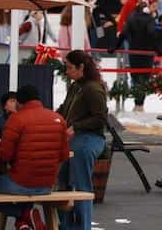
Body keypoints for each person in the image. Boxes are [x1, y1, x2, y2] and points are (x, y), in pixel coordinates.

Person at [0, 84, 69, 230]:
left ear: (19, 103)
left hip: (20, 184)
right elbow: (63, 156)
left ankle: (23, 215)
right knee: (24, 184)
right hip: (47, 186)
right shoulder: (59, 119)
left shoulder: (16, 120)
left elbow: (5, 155)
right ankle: (23, 222)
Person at [57, 50, 108, 230]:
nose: (67, 72)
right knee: (61, 180)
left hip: (88, 139)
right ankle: (66, 224)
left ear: (81, 67)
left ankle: (83, 226)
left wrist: (76, 126)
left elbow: (101, 118)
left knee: (82, 185)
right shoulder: (75, 86)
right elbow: (64, 109)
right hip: (73, 138)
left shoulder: (93, 89)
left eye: (70, 68)